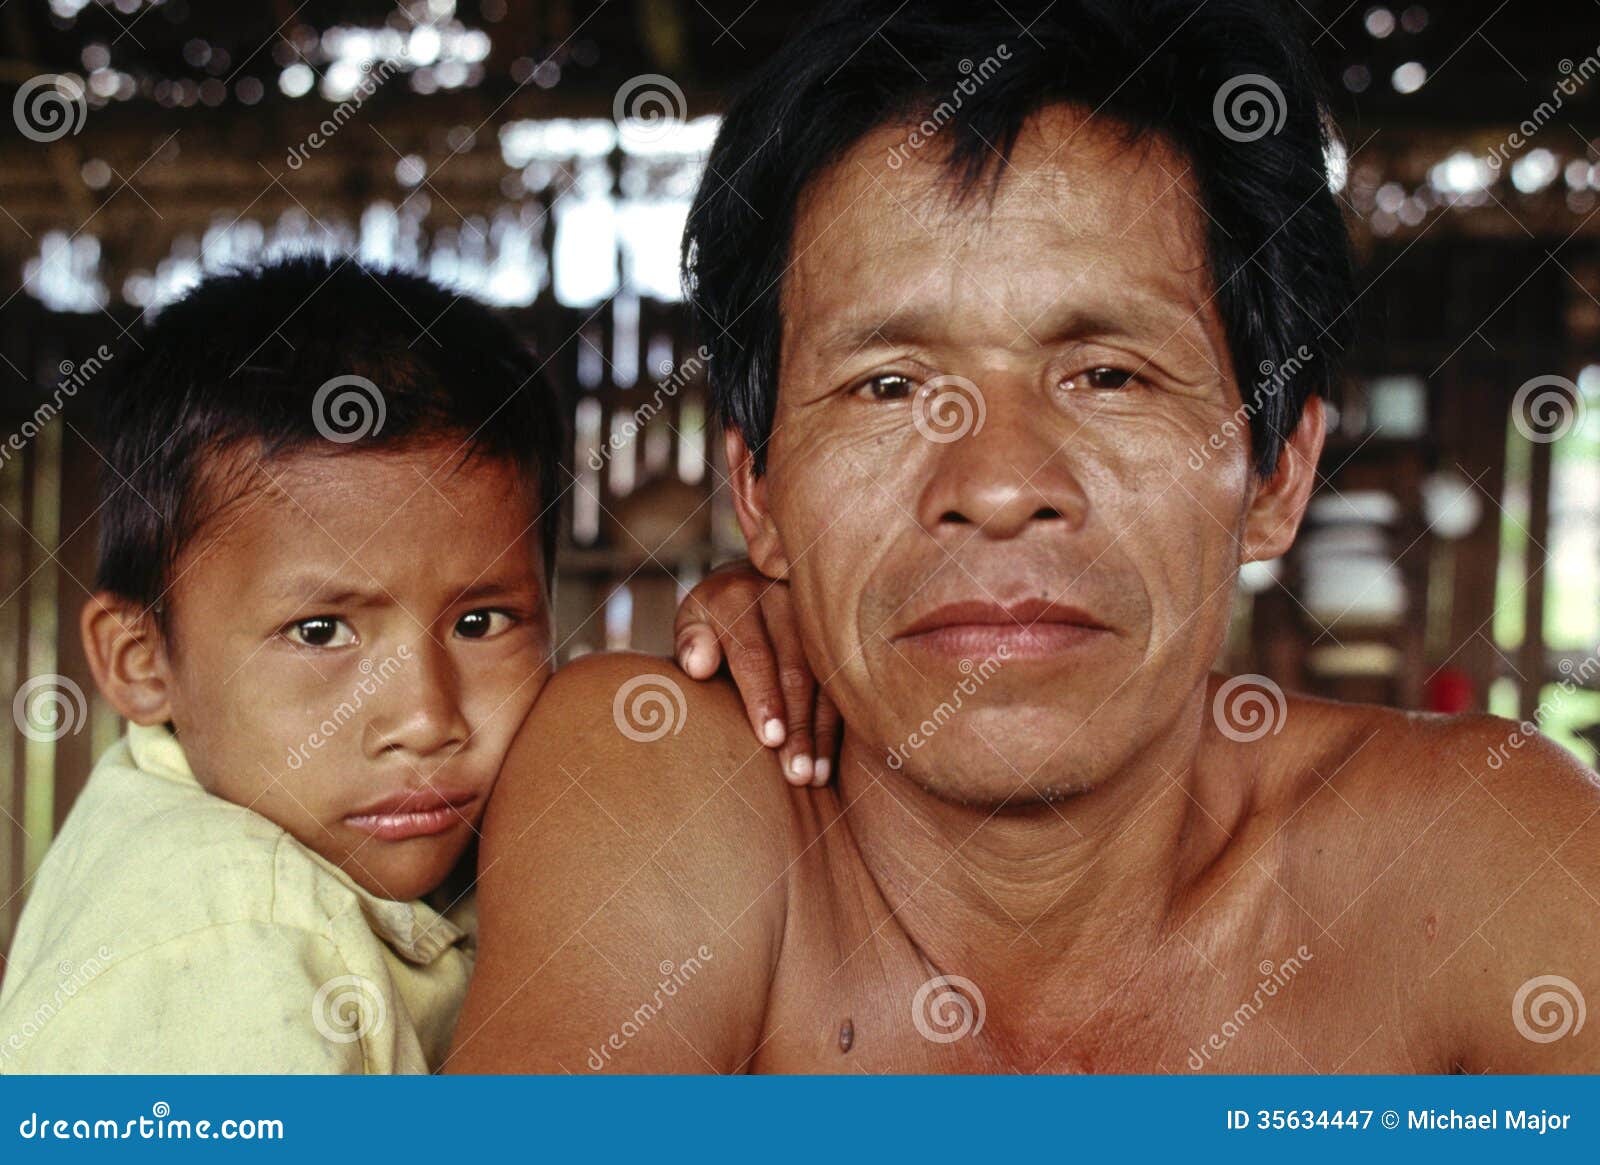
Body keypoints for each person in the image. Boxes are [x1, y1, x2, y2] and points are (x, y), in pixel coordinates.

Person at [447, 0, 1600, 1073]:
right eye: (888, 386)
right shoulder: (659, 772)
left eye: (1107, 375)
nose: (997, 485)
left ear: (1275, 473)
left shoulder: (1479, 854)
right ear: (759, 492)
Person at [0, 257, 825, 1074]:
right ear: (141, 661)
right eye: (320, 631)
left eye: (479, 621)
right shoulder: (230, 950)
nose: (427, 718)